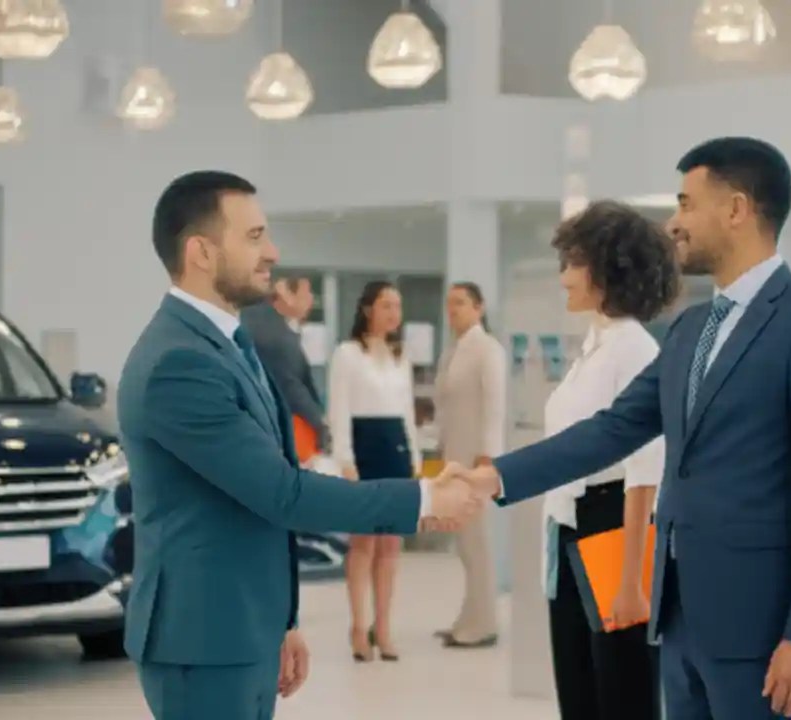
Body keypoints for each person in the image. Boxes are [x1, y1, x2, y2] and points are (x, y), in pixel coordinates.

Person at [456, 138, 791, 720]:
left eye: (685, 204)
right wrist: (494, 478)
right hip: (679, 625)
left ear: (736, 210)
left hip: (761, 632)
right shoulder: (689, 330)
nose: (673, 223)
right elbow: (611, 430)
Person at [117, 171, 481, 720]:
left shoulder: (226, 343)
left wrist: (279, 620)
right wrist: (425, 500)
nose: (273, 252)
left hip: (241, 628)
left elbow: (251, 502)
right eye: (255, 236)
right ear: (201, 252)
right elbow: (282, 493)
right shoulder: (179, 363)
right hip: (204, 639)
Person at [538, 201, 678, 720]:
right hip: (571, 529)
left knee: (623, 698)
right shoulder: (595, 346)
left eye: (574, 263)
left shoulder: (634, 350)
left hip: (614, 530)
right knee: (580, 696)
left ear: (608, 267)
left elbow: (645, 471)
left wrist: (631, 583)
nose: (564, 277)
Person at [327, 280, 421, 663]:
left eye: (397, 306)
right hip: (363, 449)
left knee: (391, 546)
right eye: (386, 305)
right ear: (368, 309)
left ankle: (383, 627)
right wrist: (345, 458)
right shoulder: (348, 354)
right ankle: (358, 626)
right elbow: (339, 409)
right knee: (363, 543)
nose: (393, 313)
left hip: (396, 448)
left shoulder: (402, 356)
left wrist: (415, 458)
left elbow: (408, 412)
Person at [433, 281, 507, 649]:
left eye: (460, 303)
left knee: (476, 543)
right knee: (465, 543)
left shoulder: (487, 349)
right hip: (454, 458)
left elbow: (495, 406)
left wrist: (487, 457)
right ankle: (469, 617)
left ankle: (483, 624)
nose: (453, 311)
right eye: (449, 304)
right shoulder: (454, 351)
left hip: (475, 461)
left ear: (478, 307)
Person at [241, 275, 329, 456]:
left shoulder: (263, 322)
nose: (311, 300)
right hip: (279, 427)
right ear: (286, 294)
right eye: (306, 294)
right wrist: (319, 422)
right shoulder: (272, 332)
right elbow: (290, 384)